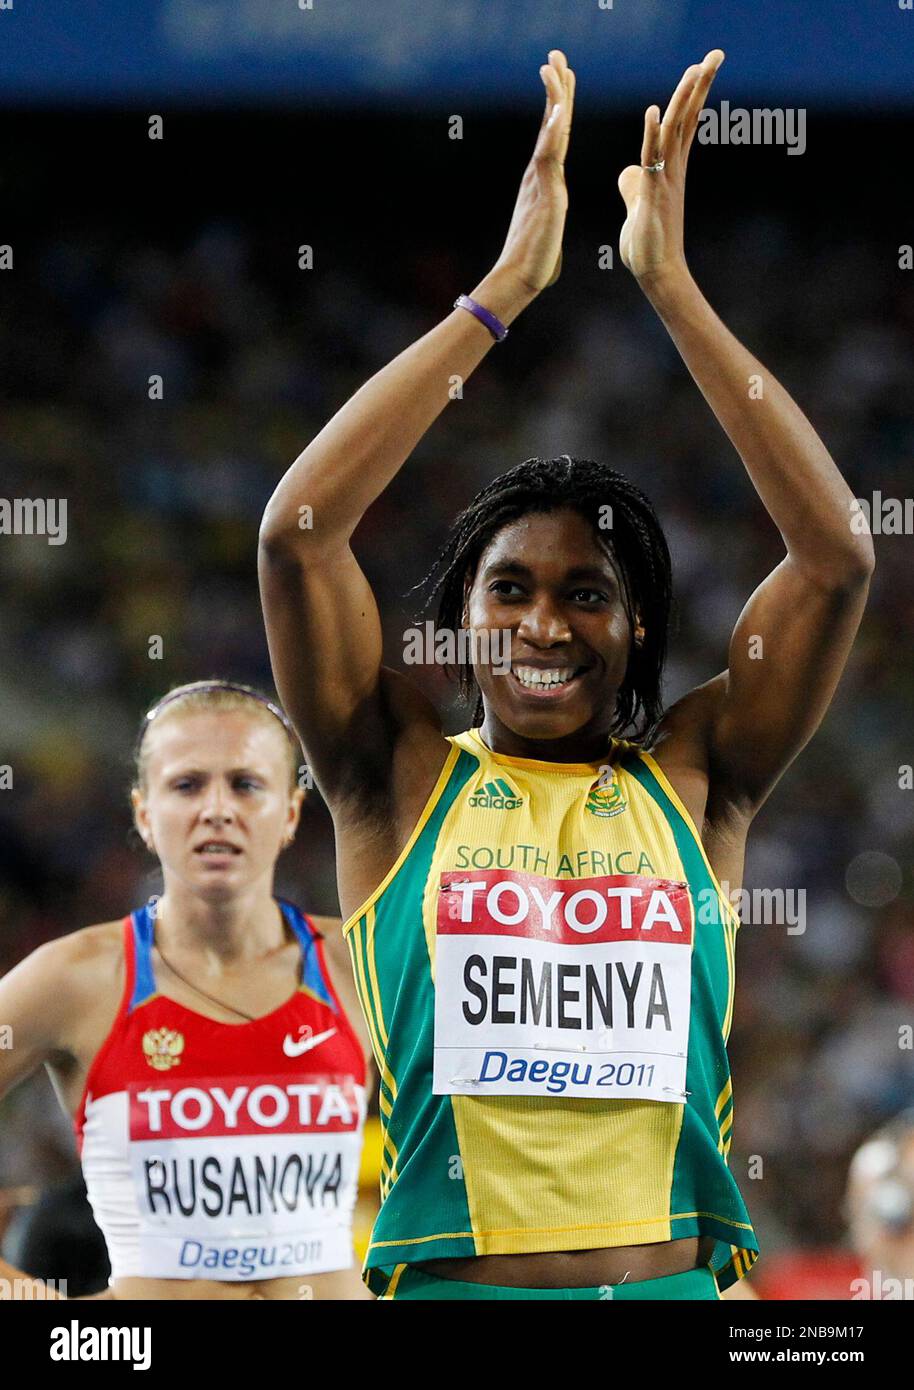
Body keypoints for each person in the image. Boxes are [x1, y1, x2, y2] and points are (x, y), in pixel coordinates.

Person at [258, 49, 874, 1300]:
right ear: (464, 617)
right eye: (511, 590)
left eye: (585, 594)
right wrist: (499, 294)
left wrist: (672, 290)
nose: (545, 623)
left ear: (634, 627)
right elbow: (297, 535)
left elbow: (833, 557)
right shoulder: (393, 775)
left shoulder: (702, 780)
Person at [0, 680, 372, 1300]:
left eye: (246, 784)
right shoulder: (74, 978)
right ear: (145, 814)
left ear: (290, 813)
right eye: (188, 785)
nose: (217, 809)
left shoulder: (362, 963)